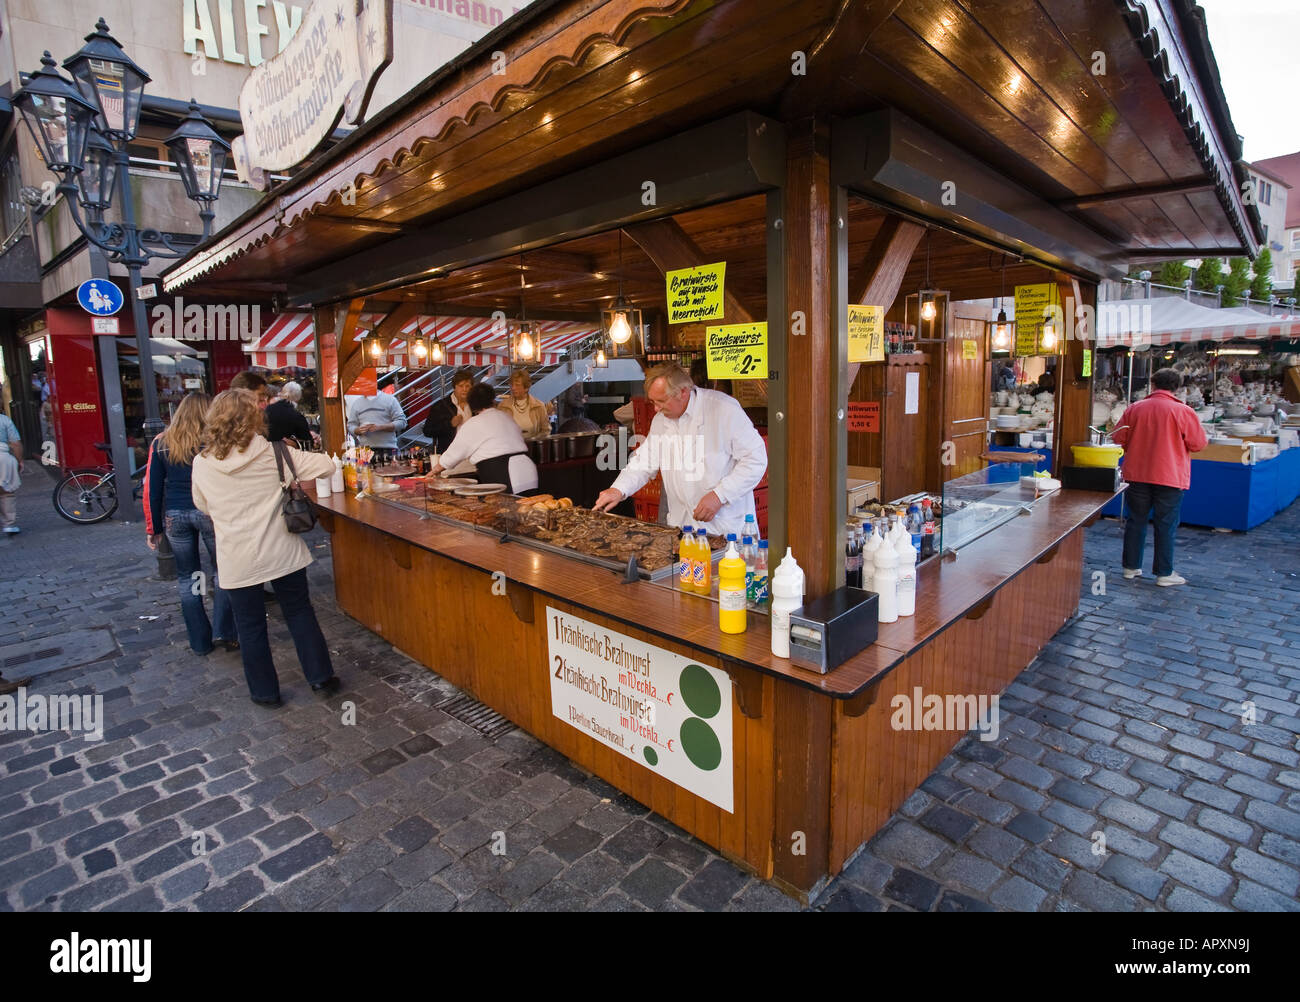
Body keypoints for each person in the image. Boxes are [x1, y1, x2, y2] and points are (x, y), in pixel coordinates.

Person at [192, 389, 340, 706]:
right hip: (281, 550)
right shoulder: (276, 454)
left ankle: (264, 692)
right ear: (255, 418)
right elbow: (328, 466)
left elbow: (202, 505)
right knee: (300, 613)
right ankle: (321, 679)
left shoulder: (201, 464)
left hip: (236, 556)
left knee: (250, 627)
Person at [593, 362, 766, 536]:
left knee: (723, 564)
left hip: (726, 529)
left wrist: (719, 496)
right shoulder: (661, 420)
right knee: (688, 565)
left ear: (683, 392)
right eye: (653, 402)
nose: (656, 409)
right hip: (682, 529)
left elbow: (755, 461)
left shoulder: (724, 409)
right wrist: (618, 489)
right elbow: (644, 462)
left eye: (661, 401)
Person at [145, 392, 237, 655]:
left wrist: (154, 529)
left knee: (189, 576)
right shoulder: (214, 441)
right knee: (222, 571)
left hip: (176, 515)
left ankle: (199, 640)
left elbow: (153, 488)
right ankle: (224, 630)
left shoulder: (162, 443)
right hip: (208, 511)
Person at [1111, 367, 1207, 587]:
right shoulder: (1183, 411)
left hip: (1137, 472)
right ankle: (1164, 572)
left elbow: (1118, 437)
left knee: (1136, 520)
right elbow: (1198, 444)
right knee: (1166, 524)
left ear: (1153, 385)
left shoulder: (1135, 408)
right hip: (1169, 474)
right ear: (1177, 387)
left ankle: (1130, 567)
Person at [427, 383, 539, 494]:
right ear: (492, 400)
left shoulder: (474, 423)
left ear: (472, 404)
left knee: (508, 509)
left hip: (505, 473)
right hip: (528, 469)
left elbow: (454, 453)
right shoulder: (506, 416)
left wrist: (433, 471)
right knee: (529, 508)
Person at [345, 388, 407, 463]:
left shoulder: (390, 400)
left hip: (389, 449)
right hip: (365, 451)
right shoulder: (357, 403)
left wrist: (381, 427)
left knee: (392, 473)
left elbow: (402, 422)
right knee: (366, 474)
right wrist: (358, 430)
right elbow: (351, 425)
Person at [422, 367, 474, 452]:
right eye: (461, 386)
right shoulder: (441, 406)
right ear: (454, 387)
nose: (464, 389)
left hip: (472, 453)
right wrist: (450, 424)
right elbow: (427, 431)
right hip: (449, 454)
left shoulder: (475, 406)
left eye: (467, 386)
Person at [499, 369, 550, 438]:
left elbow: (546, 430)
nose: (513, 388)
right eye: (512, 385)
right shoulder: (503, 406)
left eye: (517, 385)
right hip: (511, 447)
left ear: (526, 388)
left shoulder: (539, 406)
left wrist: (534, 440)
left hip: (533, 447)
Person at [265, 380, 317, 447]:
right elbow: (308, 442)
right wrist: (295, 443)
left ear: (282, 392)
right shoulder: (296, 416)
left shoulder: (268, 409)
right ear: (299, 397)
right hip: (285, 453)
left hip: (266, 451)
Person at [0, 410, 23, 535]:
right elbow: (15, 443)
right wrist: (20, 461)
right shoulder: (4, 420)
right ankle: (9, 524)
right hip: (3, 458)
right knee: (6, 493)